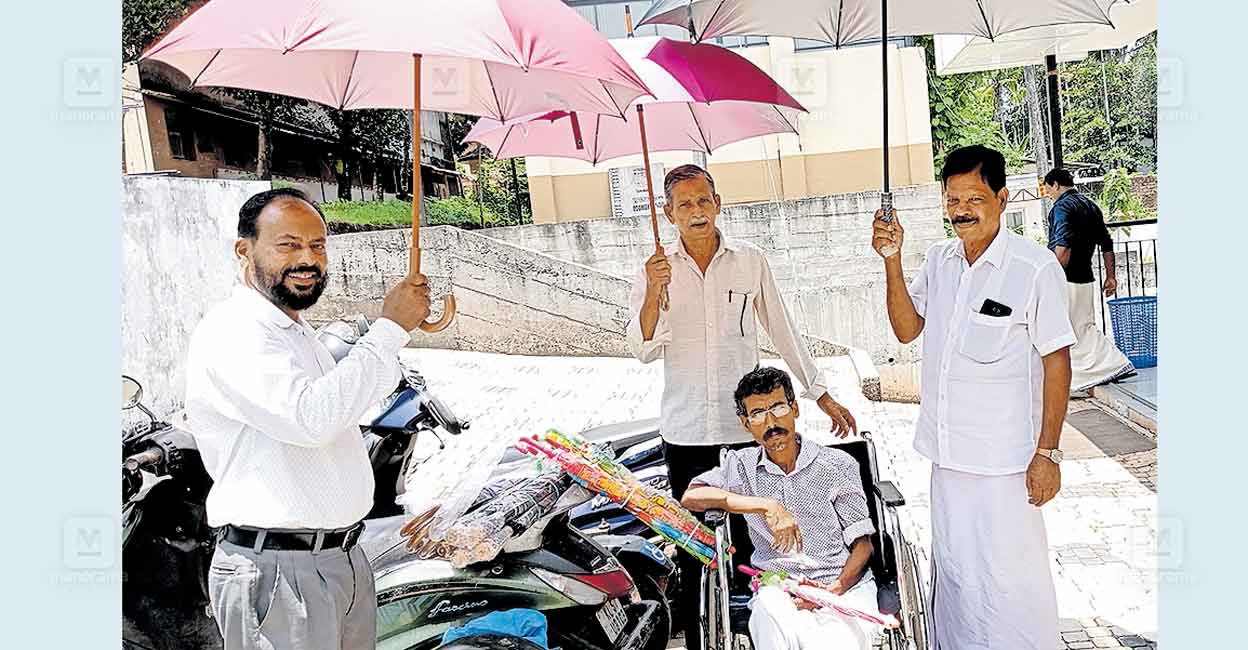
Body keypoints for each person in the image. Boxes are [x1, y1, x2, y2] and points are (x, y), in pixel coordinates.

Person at [184, 188, 432, 650]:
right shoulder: (234, 331)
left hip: (340, 559)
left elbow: (345, 404)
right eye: (288, 244)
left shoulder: (295, 331)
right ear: (244, 250)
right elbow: (310, 419)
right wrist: (390, 327)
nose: (307, 259)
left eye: (318, 245)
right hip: (280, 570)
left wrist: (394, 334)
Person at [627, 164, 858, 650]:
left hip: (746, 432)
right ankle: (702, 641)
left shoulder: (749, 261)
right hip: (687, 432)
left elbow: (782, 328)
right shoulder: (656, 269)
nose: (696, 212)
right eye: (684, 204)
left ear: (718, 203)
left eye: (703, 200)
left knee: (755, 546)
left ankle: (762, 633)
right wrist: (652, 290)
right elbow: (643, 347)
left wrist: (819, 392)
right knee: (696, 553)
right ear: (669, 213)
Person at [872, 145, 1075, 649]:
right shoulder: (939, 260)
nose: (961, 210)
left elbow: (1057, 362)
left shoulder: (1033, 267)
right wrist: (891, 261)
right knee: (958, 577)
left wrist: (1048, 452)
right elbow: (906, 329)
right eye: (952, 199)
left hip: (1006, 463)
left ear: (1002, 199)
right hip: (947, 459)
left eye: (974, 199)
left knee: (1012, 583)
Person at [682, 367, 880, 650]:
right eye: (757, 413)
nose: (771, 422)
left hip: (841, 585)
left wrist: (831, 591)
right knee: (770, 618)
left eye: (778, 407)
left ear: (795, 408)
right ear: (745, 423)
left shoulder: (837, 464)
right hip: (778, 587)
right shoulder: (742, 466)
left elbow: (863, 545)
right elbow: (692, 495)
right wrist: (765, 505)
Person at [1043, 168, 1135, 391]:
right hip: (1086, 278)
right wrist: (1110, 276)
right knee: (1084, 328)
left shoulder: (1061, 207)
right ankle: (1115, 365)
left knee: (1066, 332)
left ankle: (1088, 375)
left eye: (1048, 189)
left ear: (1056, 185)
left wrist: (1051, 276)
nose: (1048, 194)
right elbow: (1106, 243)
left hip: (1066, 278)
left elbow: (1063, 246)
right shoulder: (1091, 206)